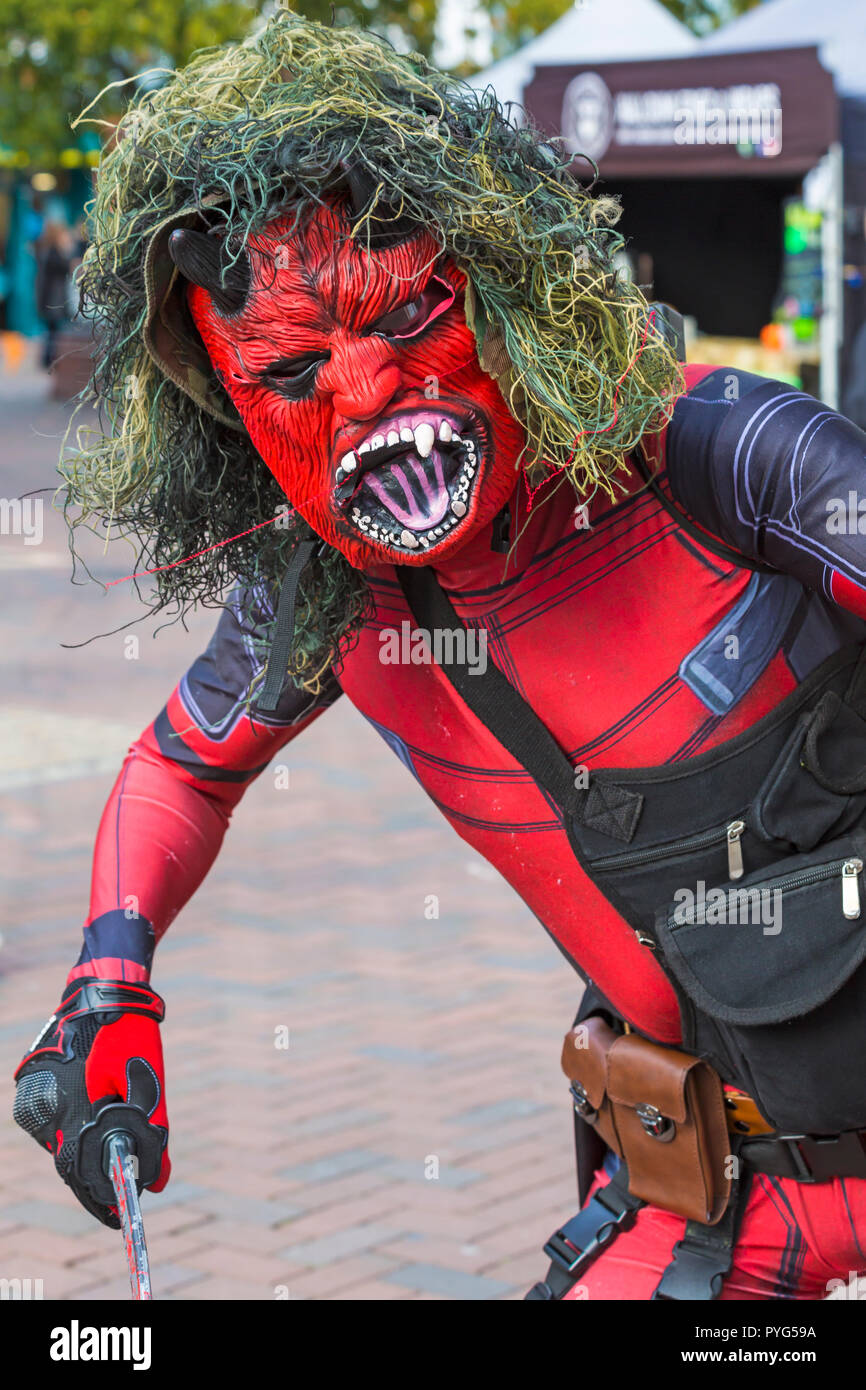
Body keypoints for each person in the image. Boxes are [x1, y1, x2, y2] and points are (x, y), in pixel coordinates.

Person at [13, 12, 866, 1300]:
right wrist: (104, 981)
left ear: (507, 283)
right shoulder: (329, 596)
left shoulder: (723, 458)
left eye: (410, 314)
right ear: (228, 409)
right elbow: (183, 768)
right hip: (704, 1207)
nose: (364, 394)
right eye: (292, 371)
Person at [34, 220, 73, 369]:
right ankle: (49, 361)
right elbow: (66, 266)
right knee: (53, 333)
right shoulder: (53, 253)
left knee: (51, 332)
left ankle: (48, 360)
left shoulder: (47, 252)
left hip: (49, 299)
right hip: (53, 300)